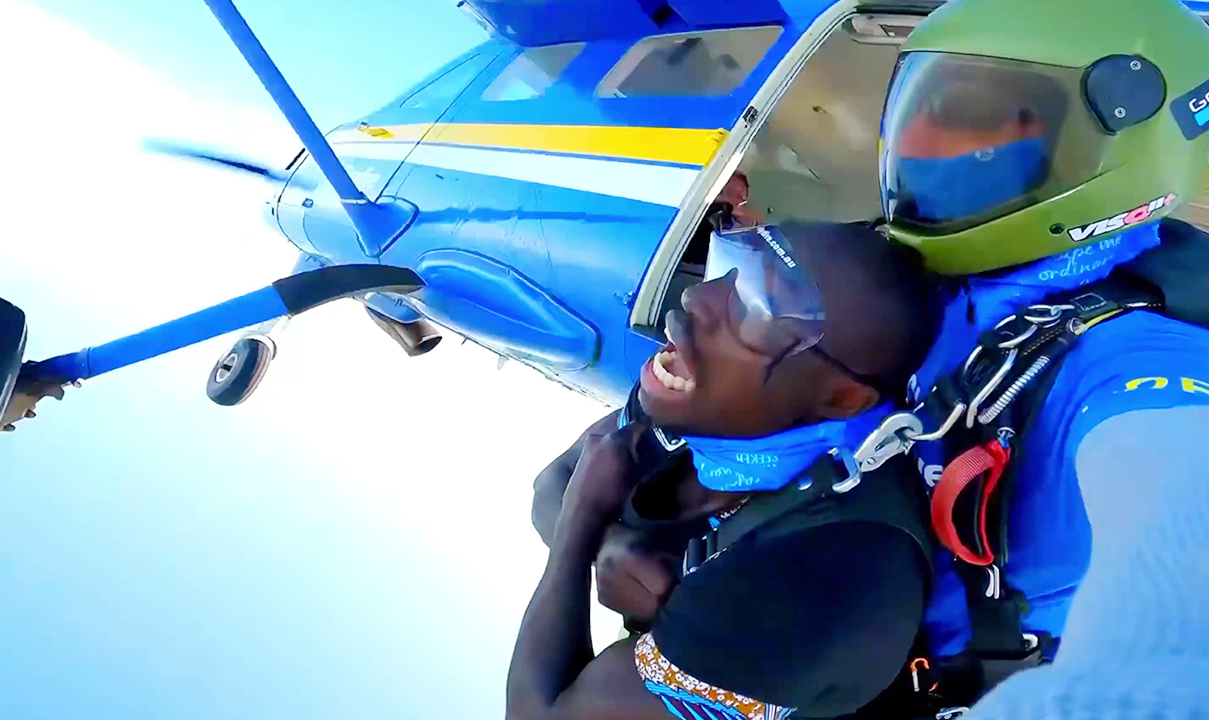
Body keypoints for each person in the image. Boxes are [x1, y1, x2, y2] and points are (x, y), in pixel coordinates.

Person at [862, 0, 1209, 712]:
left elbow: (1182, 546)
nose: (927, 141)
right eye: (927, 104)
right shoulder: (940, 274)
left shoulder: (1132, 365)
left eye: (985, 118)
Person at [508, 221, 940, 720]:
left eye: (760, 311)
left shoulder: (814, 583)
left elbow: (533, 715)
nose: (697, 299)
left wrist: (583, 523)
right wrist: (608, 546)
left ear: (841, 398)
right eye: (732, 266)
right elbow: (551, 485)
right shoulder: (705, 404)